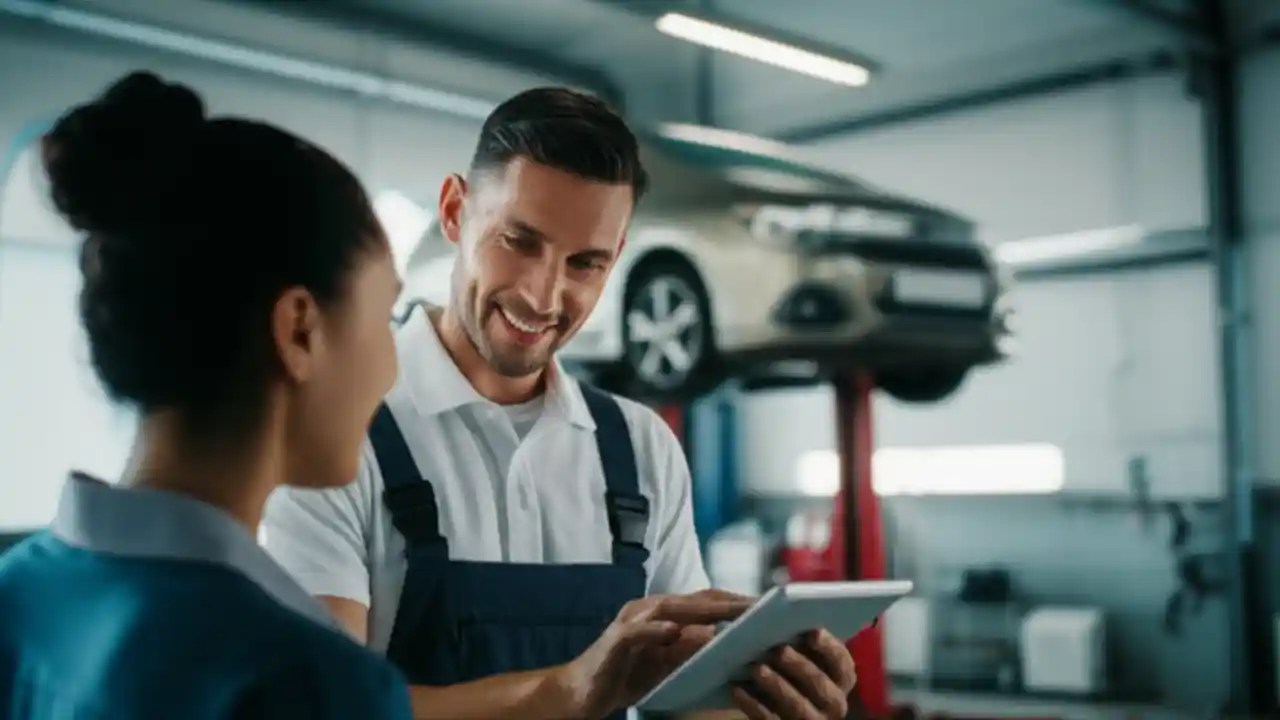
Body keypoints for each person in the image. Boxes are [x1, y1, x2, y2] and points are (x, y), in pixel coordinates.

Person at [262, 87, 859, 719]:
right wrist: (569, 691)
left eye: (585, 264)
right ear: (455, 211)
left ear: (615, 259)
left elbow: (684, 705)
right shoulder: (335, 433)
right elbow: (325, 708)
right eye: (519, 241)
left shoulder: (642, 449)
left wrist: (774, 697)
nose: (543, 297)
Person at [0, 72, 411, 719]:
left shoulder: (17, 594)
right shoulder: (311, 682)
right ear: (298, 330)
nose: (393, 368)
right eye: (386, 317)